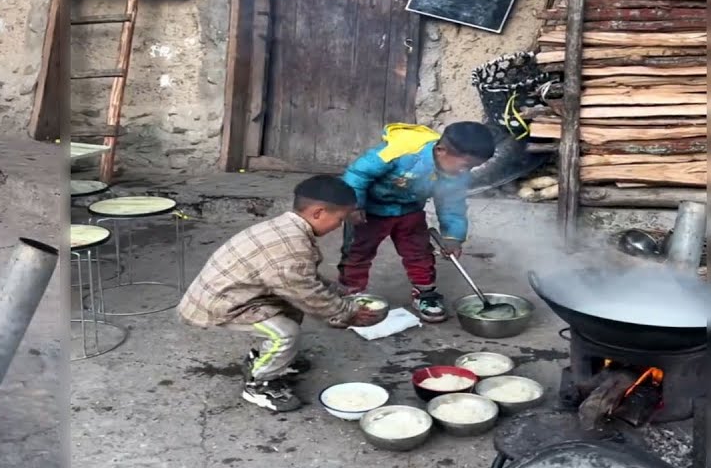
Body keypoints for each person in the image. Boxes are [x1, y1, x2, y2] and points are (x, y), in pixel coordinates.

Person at [178, 176, 386, 413]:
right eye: (339, 220)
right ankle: (260, 384)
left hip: (240, 293)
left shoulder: (287, 229)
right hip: (221, 305)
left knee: (291, 307)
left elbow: (300, 279)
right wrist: (346, 311)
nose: (339, 226)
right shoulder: (291, 247)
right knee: (285, 334)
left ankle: (269, 358)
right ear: (318, 213)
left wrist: (335, 290)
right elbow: (307, 293)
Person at [338, 122, 496, 323]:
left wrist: (453, 237)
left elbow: (452, 205)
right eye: (465, 165)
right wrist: (353, 205)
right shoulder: (401, 150)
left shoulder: (456, 176)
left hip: (410, 211)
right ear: (440, 150)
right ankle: (351, 295)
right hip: (370, 211)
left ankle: (426, 294)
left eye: (472, 168)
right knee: (357, 252)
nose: (466, 172)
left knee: (419, 252)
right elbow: (358, 174)